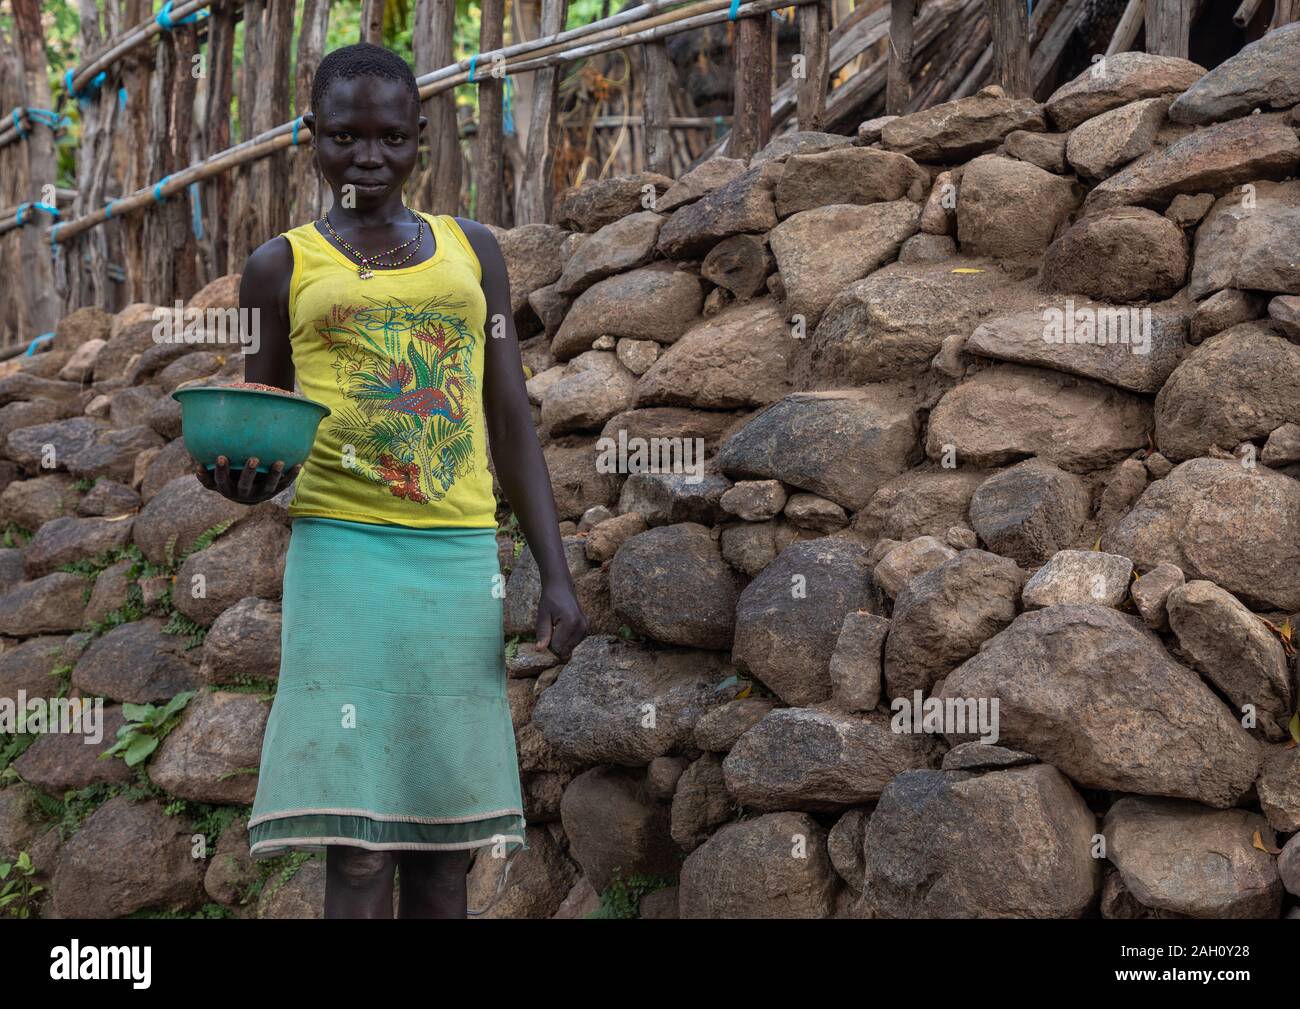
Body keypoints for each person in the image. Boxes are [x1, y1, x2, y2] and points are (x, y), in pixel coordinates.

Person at [193, 42, 588, 918]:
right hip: (341, 557)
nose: (366, 157)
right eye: (343, 137)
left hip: (455, 561)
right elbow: (263, 420)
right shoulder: (280, 266)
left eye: (388, 138)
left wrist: (552, 572)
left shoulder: (471, 251)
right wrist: (243, 479)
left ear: (420, 138)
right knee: (362, 845)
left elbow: (509, 412)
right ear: (310, 138)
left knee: (445, 844)